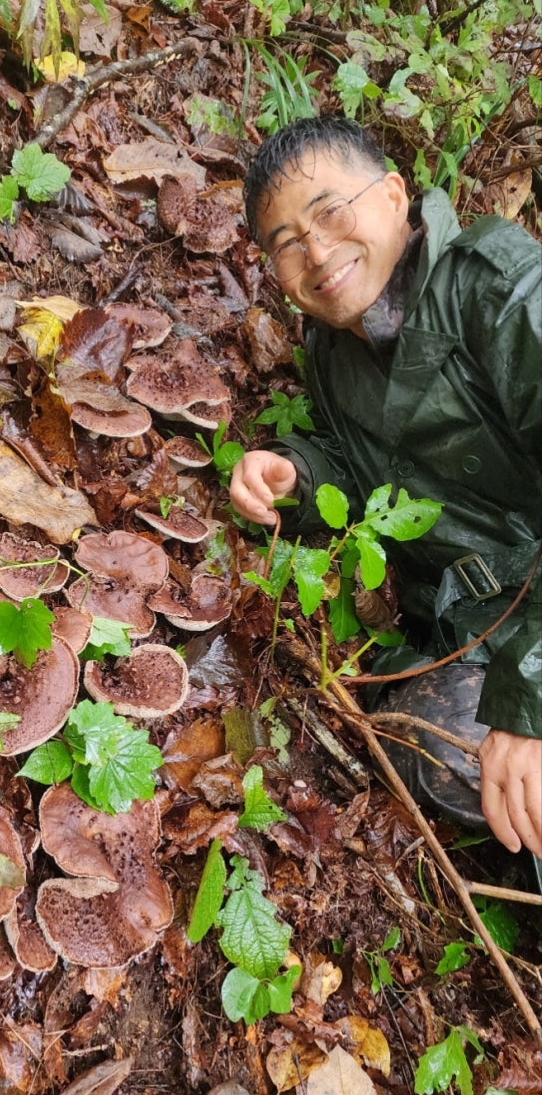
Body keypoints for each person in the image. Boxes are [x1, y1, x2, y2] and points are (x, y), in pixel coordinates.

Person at [230, 116, 542, 861]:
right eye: (285, 243)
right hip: (472, 631)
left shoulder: (502, 294)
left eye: (331, 214)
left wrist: (529, 701)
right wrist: (296, 477)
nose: (316, 253)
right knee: (429, 740)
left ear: (395, 193)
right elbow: (368, 470)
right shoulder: (333, 351)